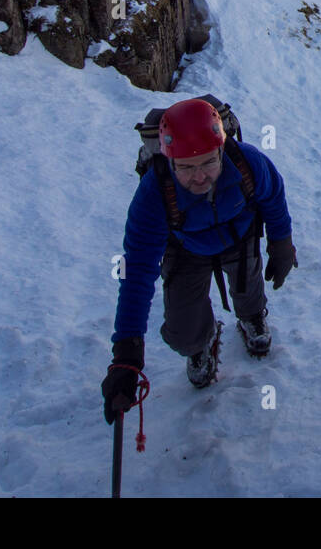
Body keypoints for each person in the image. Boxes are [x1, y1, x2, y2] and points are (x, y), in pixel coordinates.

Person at [102, 98, 296, 423]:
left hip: (240, 233)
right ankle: (200, 344)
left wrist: (281, 242)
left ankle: (251, 316)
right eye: (186, 167)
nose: (199, 178)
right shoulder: (154, 195)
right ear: (170, 161)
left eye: (207, 163)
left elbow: (273, 195)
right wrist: (127, 353)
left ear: (221, 149)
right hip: (186, 246)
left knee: (249, 288)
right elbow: (137, 271)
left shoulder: (248, 162)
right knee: (182, 328)